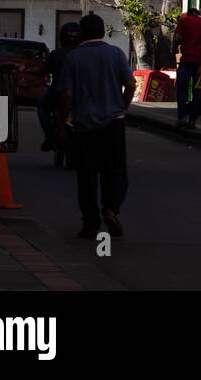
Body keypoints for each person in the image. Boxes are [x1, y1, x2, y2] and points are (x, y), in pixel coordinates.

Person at [56, 13, 133, 238]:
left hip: (83, 126)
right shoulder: (116, 54)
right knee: (115, 170)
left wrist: (61, 123)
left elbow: (67, 94)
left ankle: (90, 222)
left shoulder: (73, 58)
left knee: (87, 175)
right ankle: (110, 208)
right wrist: (122, 108)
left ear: (81, 34)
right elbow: (130, 85)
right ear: (102, 32)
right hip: (113, 123)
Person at [38, 21, 82, 151]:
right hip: (81, 96)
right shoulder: (84, 54)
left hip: (57, 95)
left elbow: (43, 72)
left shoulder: (56, 54)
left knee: (41, 104)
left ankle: (49, 137)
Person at [172, 7, 201, 130]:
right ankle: (193, 120)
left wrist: (175, 48)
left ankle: (182, 117)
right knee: (198, 91)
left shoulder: (184, 21)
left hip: (186, 60)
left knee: (182, 89)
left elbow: (177, 38)